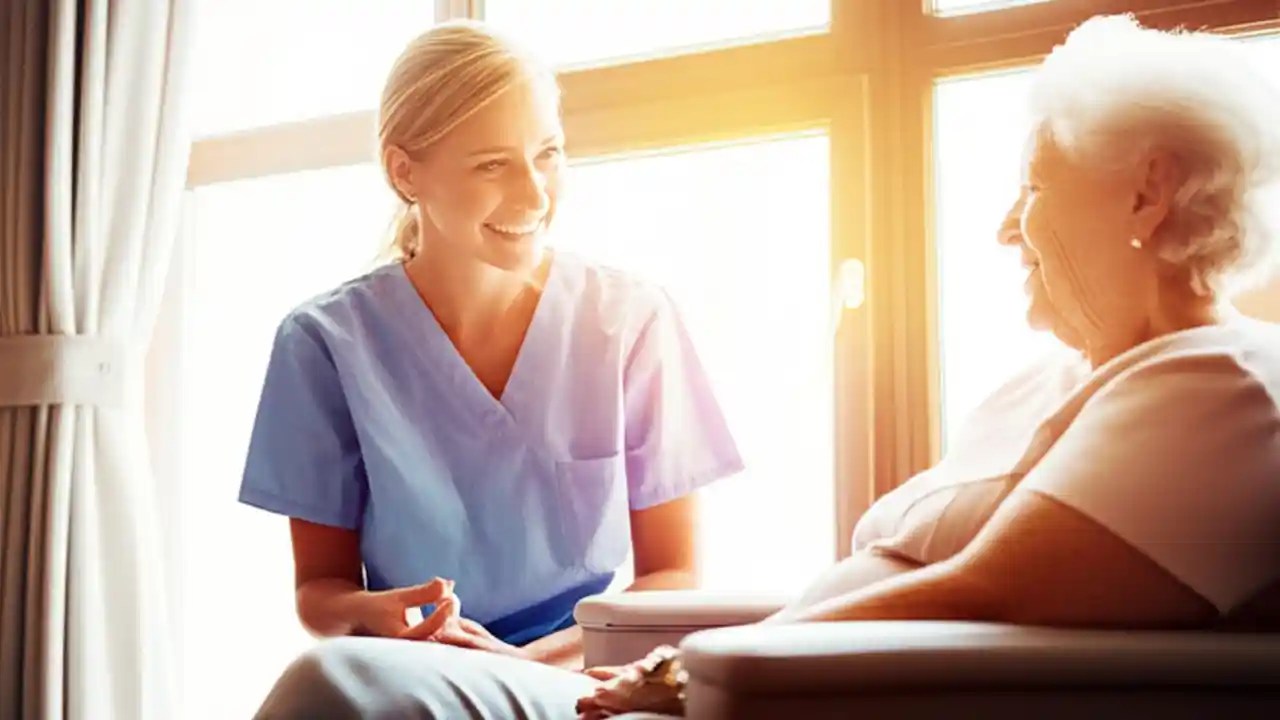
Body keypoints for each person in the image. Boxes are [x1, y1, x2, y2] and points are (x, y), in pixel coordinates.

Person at [252, 14, 1280, 720]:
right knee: (344, 681)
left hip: (742, 691)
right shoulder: (1054, 383)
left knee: (338, 692)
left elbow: (978, 594)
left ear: (1145, 197)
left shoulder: (1215, 390)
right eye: (493, 161)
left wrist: (670, 670)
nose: (1004, 226)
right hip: (719, 676)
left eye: (1034, 188)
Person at [236, 17, 743, 684]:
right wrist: (375, 615)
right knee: (319, 685)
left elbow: (675, 577)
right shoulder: (324, 345)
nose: (534, 194)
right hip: (418, 672)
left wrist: (523, 665)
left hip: (581, 674)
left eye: (549, 154)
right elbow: (321, 592)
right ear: (403, 172)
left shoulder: (630, 320)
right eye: (492, 165)